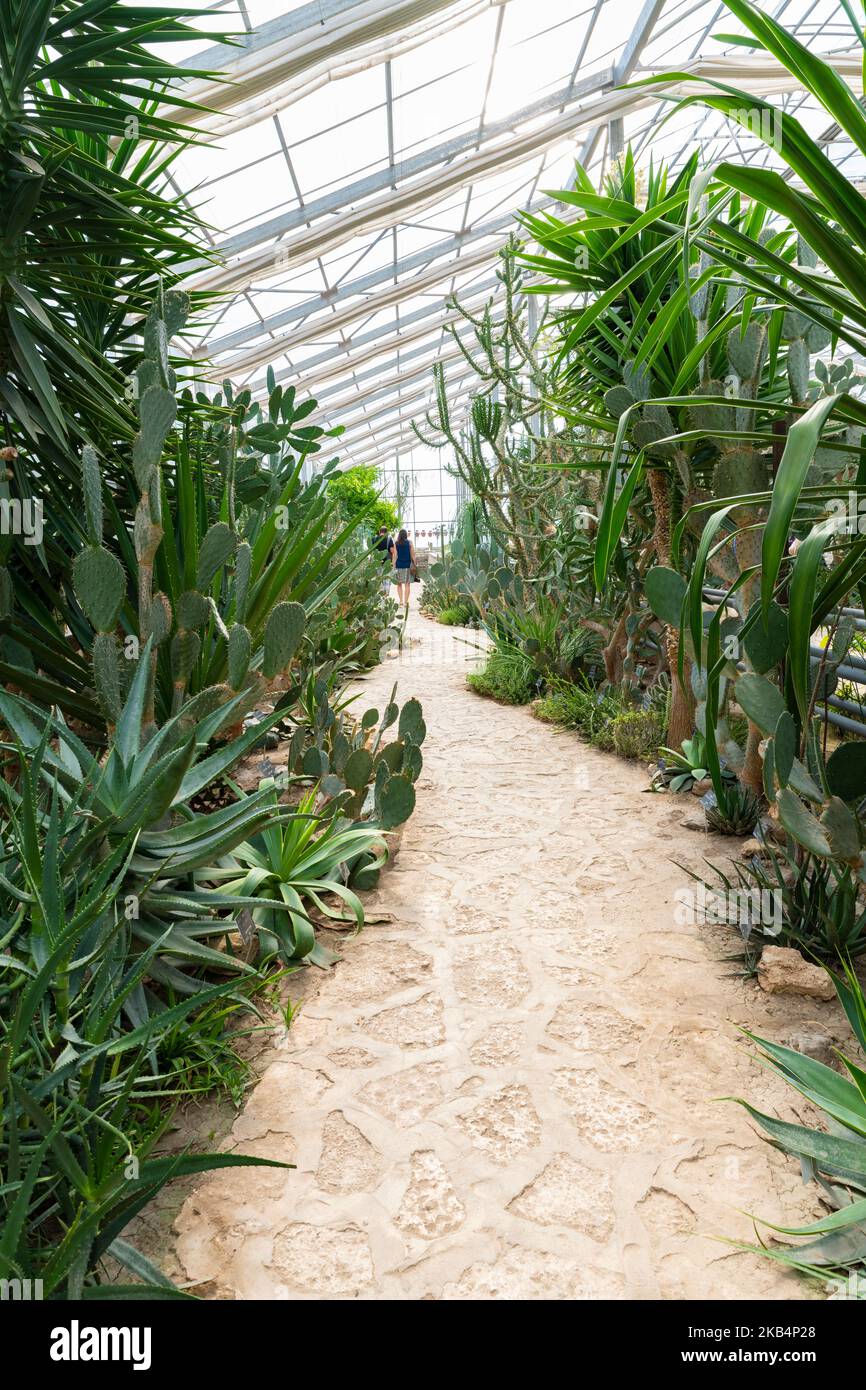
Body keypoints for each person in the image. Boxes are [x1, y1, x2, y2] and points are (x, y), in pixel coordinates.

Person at [392, 527, 416, 608]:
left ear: (399, 535)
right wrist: (415, 564)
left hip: (398, 566)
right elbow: (413, 555)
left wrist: (393, 565)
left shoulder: (396, 543)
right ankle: (406, 602)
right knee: (407, 585)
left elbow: (395, 555)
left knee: (399, 584)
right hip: (408, 566)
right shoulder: (410, 543)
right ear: (406, 535)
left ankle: (401, 602)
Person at [373, 525, 395, 594]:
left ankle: (379, 595)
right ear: (386, 532)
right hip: (387, 563)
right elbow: (392, 551)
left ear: (380, 531)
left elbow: (371, 551)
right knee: (387, 579)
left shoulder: (374, 539)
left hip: (377, 562)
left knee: (378, 579)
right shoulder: (389, 539)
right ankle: (386, 594)